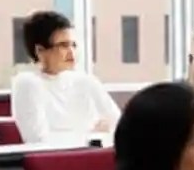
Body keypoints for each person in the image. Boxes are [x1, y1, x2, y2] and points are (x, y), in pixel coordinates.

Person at [10, 11, 121, 145]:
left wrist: (70, 136)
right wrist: (91, 135)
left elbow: (119, 127)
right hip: (55, 163)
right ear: (40, 50)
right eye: (63, 45)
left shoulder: (87, 81)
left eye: (73, 45)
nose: (71, 52)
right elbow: (38, 141)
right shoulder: (27, 83)